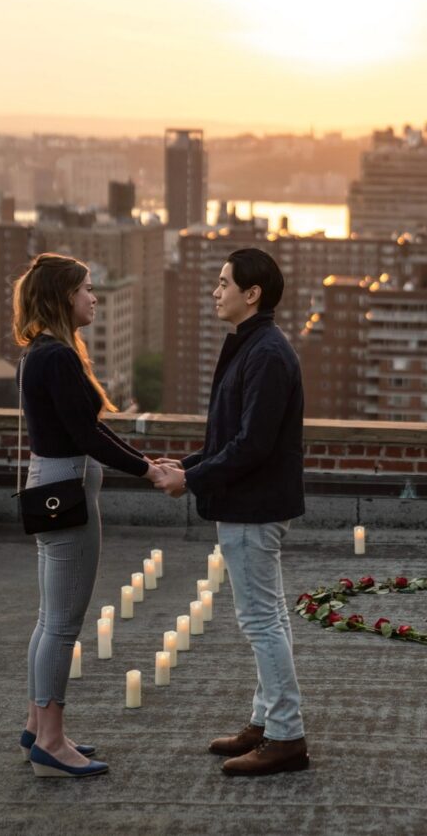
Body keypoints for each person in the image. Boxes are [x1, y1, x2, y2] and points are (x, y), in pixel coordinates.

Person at [155, 247, 309, 777]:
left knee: (261, 620)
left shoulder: (265, 352)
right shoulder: (253, 345)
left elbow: (253, 446)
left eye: (223, 283)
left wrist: (190, 479)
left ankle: (286, 737)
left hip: (254, 506)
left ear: (252, 294)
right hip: (252, 502)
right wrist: (189, 463)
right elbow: (233, 438)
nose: (215, 292)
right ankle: (266, 722)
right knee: (271, 617)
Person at [13, 252, 164, 778]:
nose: (93, 297)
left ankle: (39, 727)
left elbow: (87, 429)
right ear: (63, 298)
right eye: (85, 290)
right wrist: (147, 471)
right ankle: (51, 745)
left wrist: (145, 463)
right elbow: (88, 436)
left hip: (52, 484)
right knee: (61, 625)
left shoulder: (39, 353)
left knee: (47, 620)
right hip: (67, 489)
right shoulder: (56, 357)